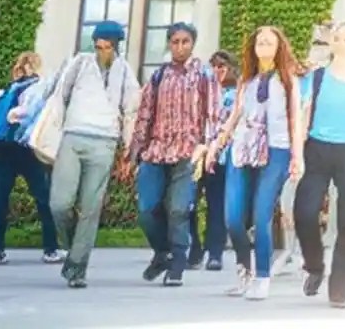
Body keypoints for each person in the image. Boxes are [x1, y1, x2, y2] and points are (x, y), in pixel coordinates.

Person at [207, 25, 305, 301]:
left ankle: (262, 276)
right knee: (233, 217)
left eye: (269, 42)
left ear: (278, 47)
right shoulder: (246, 80)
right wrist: (217, 144)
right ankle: (244, 270)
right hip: (243, 149)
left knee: (262, 215)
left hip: (276, 150)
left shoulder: (287, 81)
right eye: (259, 42)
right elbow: (235, 115)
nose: (263, 46)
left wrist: (297, 157)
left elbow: (295, 120)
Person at [49, 20, 142, 288]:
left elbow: (131, 111)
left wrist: (129, 150)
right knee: (59, 203)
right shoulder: (80, 63)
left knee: (91, 208)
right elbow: (59, 96)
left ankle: (77, 268)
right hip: (73, 136)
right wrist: (56, 133)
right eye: (98, 46)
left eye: (107, 47)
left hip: (105, 142)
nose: (102, 51)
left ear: (116, 46)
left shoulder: (124, 71)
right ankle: (73, 247)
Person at [130, 22, 221, 287]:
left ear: (192, 44)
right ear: (169, 44)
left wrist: (208, 148)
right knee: (146, 209)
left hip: (188, 152)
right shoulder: (159, 76)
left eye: (185, 42)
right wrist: (136, 150)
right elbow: (145, 114)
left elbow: (214, 114)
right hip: (156, 150)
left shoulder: (204, 75)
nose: (180, 47)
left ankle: (178, 263)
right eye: (175, 42)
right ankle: (162, 252)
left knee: (179, 209)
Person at [294, 22, 345, 309]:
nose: (343, 42)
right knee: (304, 212)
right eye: (338, 38)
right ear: (332, 42)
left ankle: (339, 289)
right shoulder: (316, 77)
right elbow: (301, 115)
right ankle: (314, 265)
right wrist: (296, 155)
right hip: (318, 148)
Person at [0, 53, 65, 265]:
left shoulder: (7, 90)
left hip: (3, 149)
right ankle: (51, 248)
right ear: (37, 66)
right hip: (25, 149)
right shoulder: (38, 88)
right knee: (43, 198)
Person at [189, 50, 239, 271]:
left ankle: (215, 252)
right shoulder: (202, 91)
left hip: (221, 156)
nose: (218, 70)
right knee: (187, 203)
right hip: (196, 153)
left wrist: (217, 146)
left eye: (222, 66)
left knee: (216, 205)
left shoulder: (236, 94)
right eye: (214, 66)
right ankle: (194, 248)